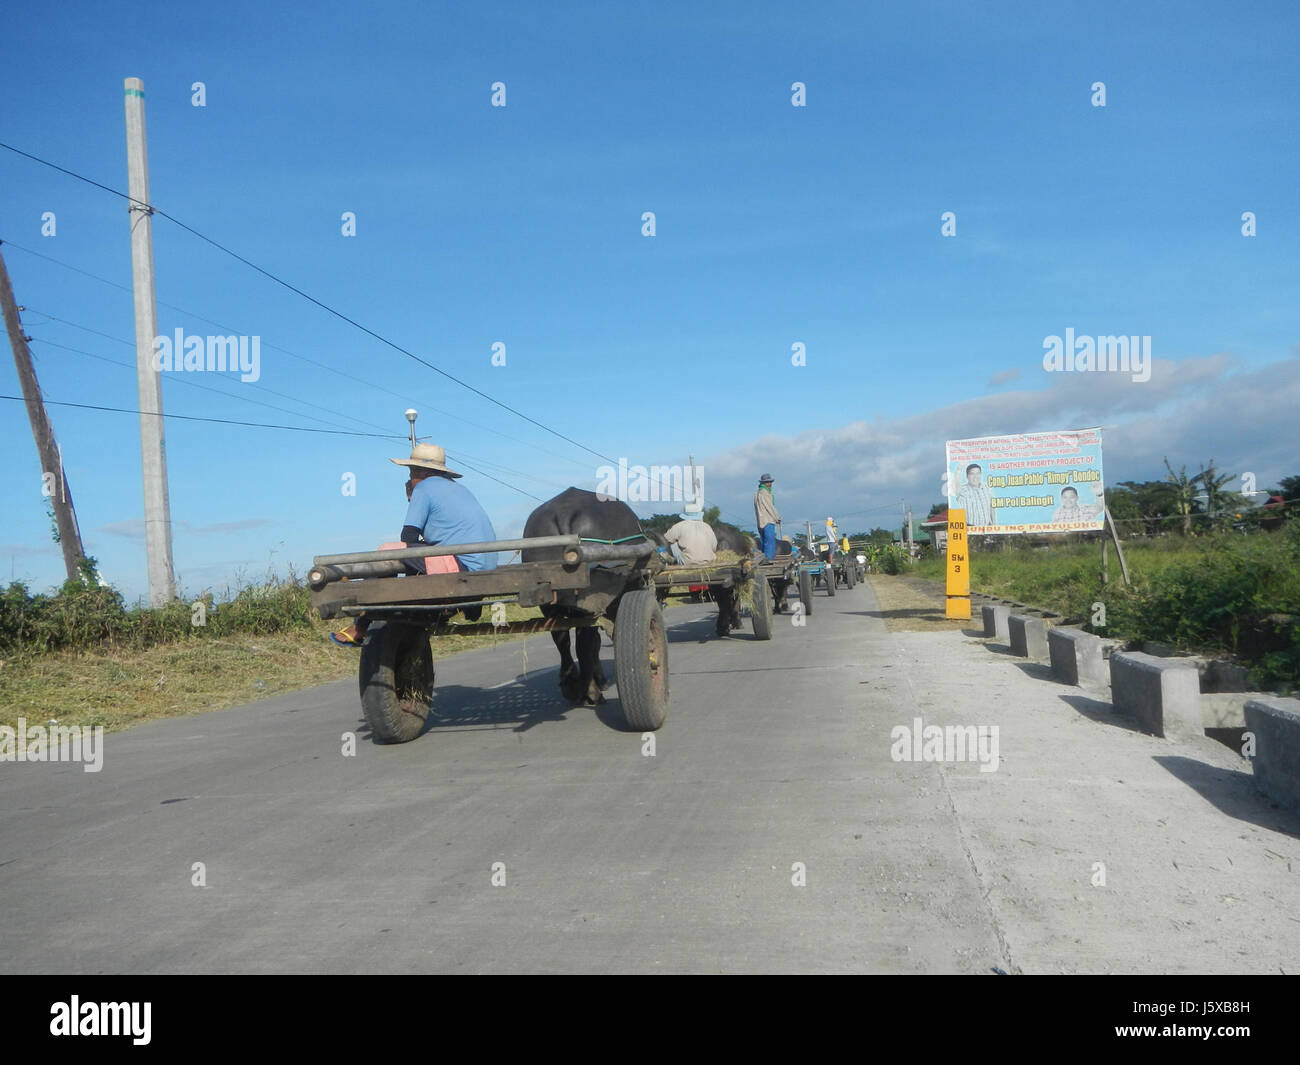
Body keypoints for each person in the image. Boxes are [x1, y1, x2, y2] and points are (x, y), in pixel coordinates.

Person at [331, 443, 497, 646]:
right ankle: (469, 604)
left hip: (461, 564)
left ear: (423, 472)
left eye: (411, 473)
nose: (409, 479)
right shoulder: (458, 489)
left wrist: (412, 497)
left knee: (386, 551)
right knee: (417, 552)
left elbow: (408, 536)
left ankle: (360, 625)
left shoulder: (424, 488)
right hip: (484, 562)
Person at [754, 473, 781, 559]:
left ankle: (763, 559)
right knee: (770, 542)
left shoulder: (757, 493)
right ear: (763, 483)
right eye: (767, 482)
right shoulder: (764, 492)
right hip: (768, 521)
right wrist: (777, 517)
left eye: (770, 482)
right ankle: (769, 559)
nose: (769, 484)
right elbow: (770, 507)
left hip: (760, 522)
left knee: (764, 542)